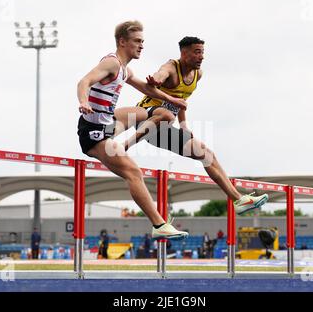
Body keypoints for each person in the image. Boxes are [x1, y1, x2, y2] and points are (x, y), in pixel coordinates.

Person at [114, 36, 268, 215]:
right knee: (165, 114)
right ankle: (125, 145)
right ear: (184, 53)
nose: (201, 57)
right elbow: (161, 73)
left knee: (207, 154)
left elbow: (181, 100)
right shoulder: (171, 68)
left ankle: (239, 200)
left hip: (164, 127)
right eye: (197, 52)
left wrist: (184, 124)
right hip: (145, 120)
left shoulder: (197, 75)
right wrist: (156, 79)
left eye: (202, 52)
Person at [76, 20, 188, 240]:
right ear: (122, 42)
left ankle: (125, 142)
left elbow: (146, 88)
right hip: (93, 132)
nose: (141, 46)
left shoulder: (125, 70)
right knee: (134, 173)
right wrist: (83, 101)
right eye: (137, 41)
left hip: (108, 121)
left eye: (143, 41)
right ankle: (159, 224)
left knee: (162, 113)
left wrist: (171, 99)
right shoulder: (112, 63)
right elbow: (84, 81)